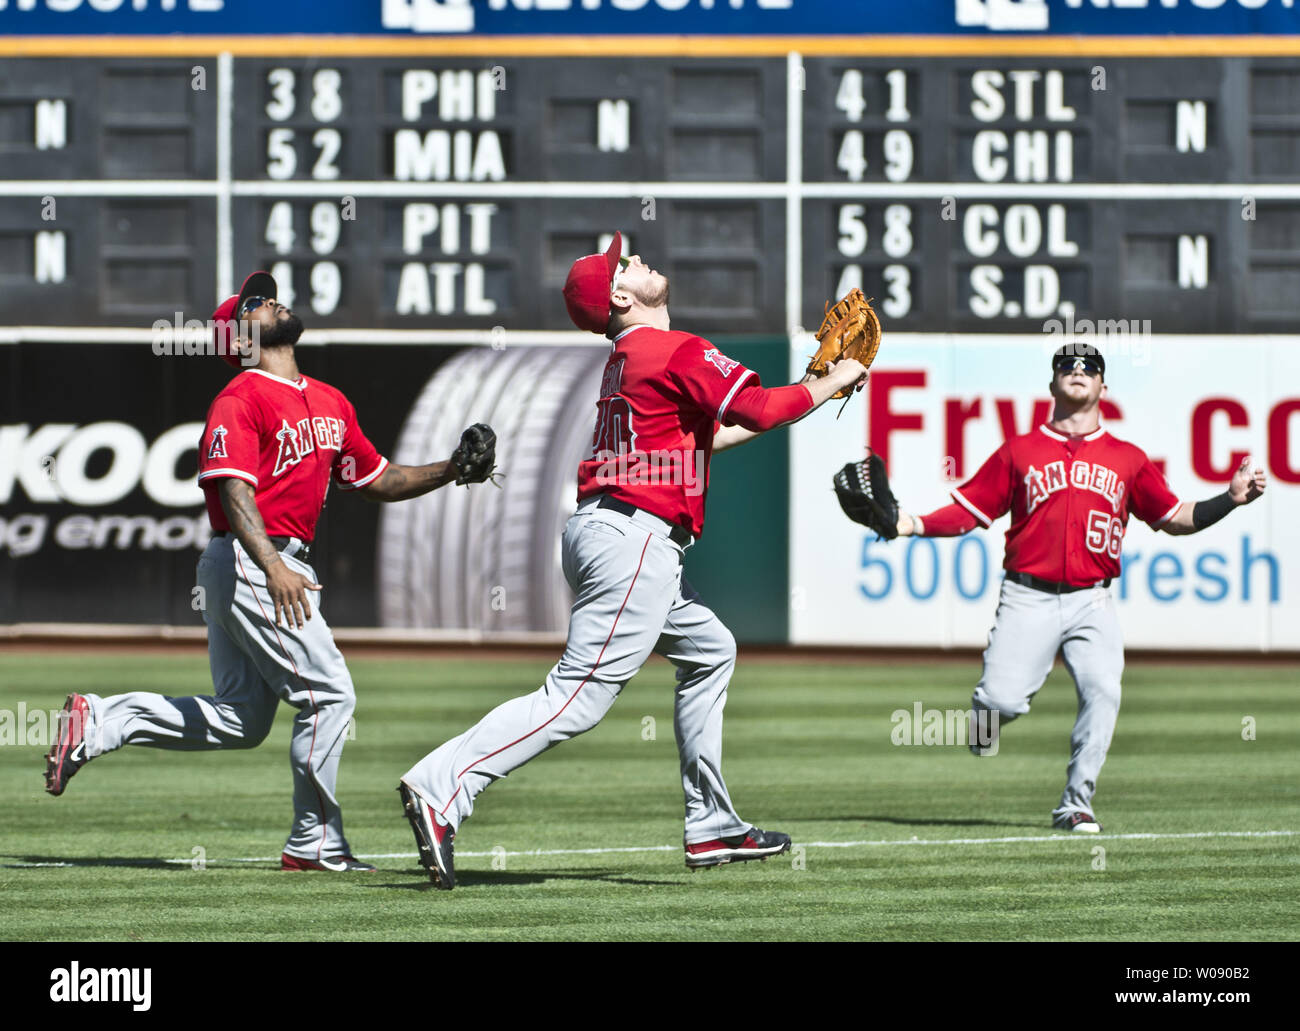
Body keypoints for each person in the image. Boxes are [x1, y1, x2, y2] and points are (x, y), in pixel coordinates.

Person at [397, 233, 869, 889]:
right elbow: (758, 408)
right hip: (635, 541)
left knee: (711, 650)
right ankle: (441, 787)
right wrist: (834, 381)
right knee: (576, 700)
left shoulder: (629, 359)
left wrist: (809, 389)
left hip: (616, 532)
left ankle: (712, 824)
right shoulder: (673, 347)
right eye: (628, 265)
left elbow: (715, 434)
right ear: (620, 295)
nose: (641, 261)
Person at [44, 271, 496, 872]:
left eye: (267, 296)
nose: (270, 302)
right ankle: (314, 844)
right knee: (330, 694)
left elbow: (378, 478)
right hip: (252, 556)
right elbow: (233, 488)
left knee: (242, 718)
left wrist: (452, 469)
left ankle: (101, 720)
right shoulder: (241, 396)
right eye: (254, 304)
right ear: (239, 335)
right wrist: (273, 565)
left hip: (258, 561)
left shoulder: (330, 399)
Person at [891, 343, 1267, 832]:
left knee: (1103, 691)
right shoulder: (1018, 451)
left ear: (1103, 387)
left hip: (1093, 599)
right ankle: (985, 721)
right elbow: (969, 510)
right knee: (1002, 702)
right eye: (1067, 366)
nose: (1078, 372)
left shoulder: (1128, 459)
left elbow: (1175, 517)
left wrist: (1230, 499)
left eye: (1089, 368)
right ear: (1052, 385)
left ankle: (1075, 804)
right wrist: (912, 522)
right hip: (1028, 595)